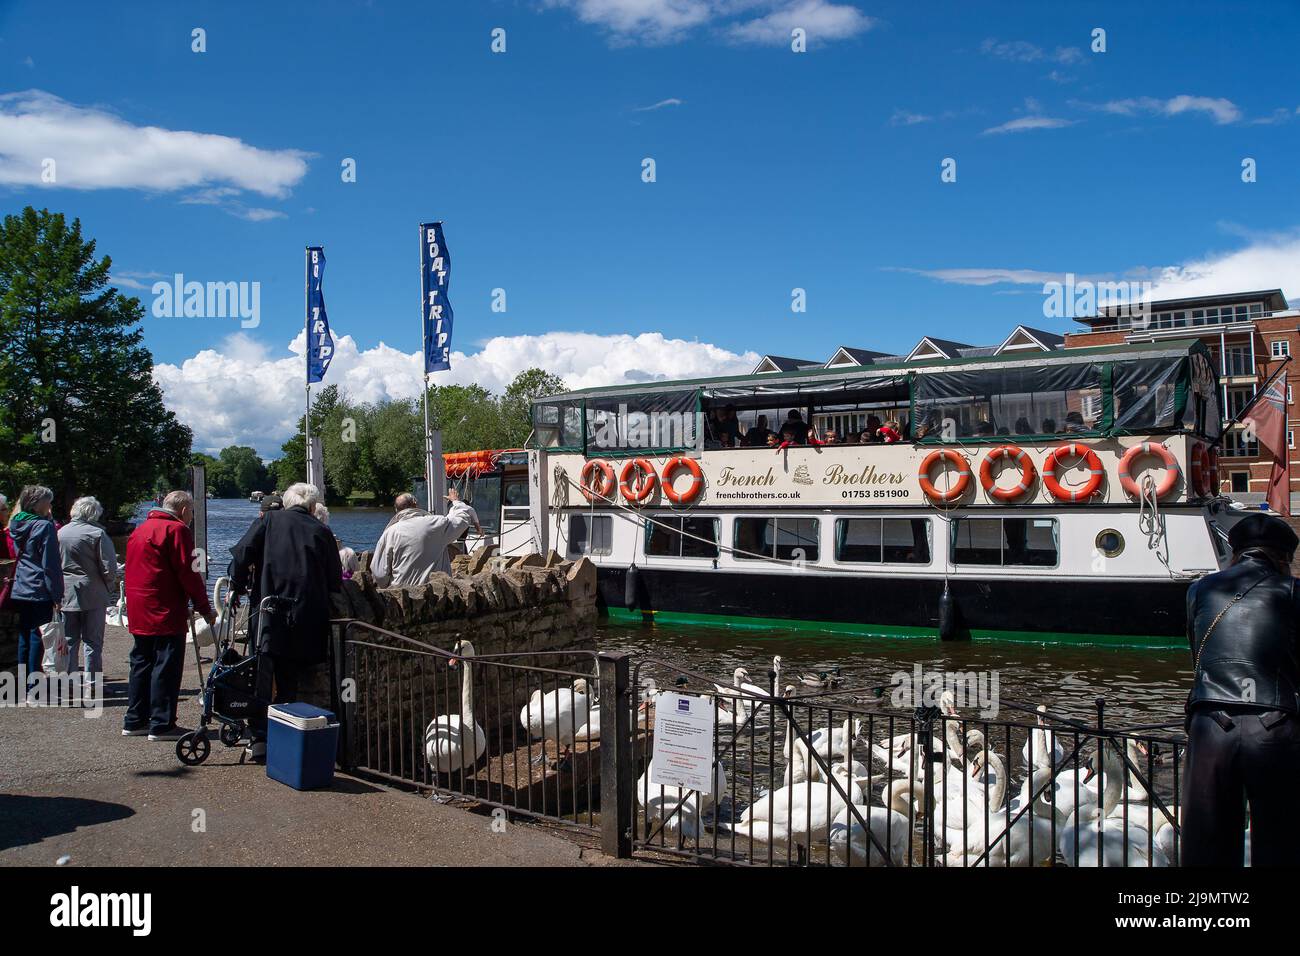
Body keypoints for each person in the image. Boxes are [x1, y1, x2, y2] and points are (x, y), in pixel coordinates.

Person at [1180, 513, 1300, 866]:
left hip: (1210, 728)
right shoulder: (1291, 591)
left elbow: (1198, 654)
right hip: (1275, 728)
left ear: (1235, 552)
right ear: (1283, 557)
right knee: (1281, 841)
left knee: (1206, 845)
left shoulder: (1200, 589)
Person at [229, 482, 342, 758]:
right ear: (313, 507)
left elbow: (242, 554)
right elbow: (334, 580)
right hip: (304, 618)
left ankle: (259, 738)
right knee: (289, 682)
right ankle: (282, 735)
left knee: (262, 677)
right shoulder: (322, 531)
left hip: (268, 614)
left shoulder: (269, 521)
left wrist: (239, 584)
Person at [123, 490, 214, 739]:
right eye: (192, 512)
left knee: (141, 663)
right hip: (164, 608)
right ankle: (162, 723)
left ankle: (134, 719)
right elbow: (190, 573)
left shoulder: (140, 530)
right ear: (184, 510)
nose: (192, 516)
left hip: (139, 607)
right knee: (166, 665)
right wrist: (205, 608)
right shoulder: (176, 531)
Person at [57, 496, 118, 691]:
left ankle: (69, 682)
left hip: (66, 591)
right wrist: (109, 585)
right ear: (93, 513)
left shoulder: (60, 532)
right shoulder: (96, 533)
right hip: (92, 591)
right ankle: (93, 683)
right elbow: (109, 567)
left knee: (69, 640)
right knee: (92, 641)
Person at [7, 486, 64, 694]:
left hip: (21, 586)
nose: (50, 505)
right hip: (39, 587)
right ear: (40, 504)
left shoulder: (16, 523)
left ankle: (23, 683)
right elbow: (50, 564)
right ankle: (35, 685)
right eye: (48, 501)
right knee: (38, 637)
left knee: (24, 635)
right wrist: (57, 594)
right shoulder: (44, 526)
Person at [371, 487, 478, 587]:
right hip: (436, 593)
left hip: (399, 594)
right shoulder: (436, 523)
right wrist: (456, 502)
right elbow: (461, 520)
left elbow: (379, 573)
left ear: (396, 510)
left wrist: (388, 587)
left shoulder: (389, 533)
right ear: (415, 504)